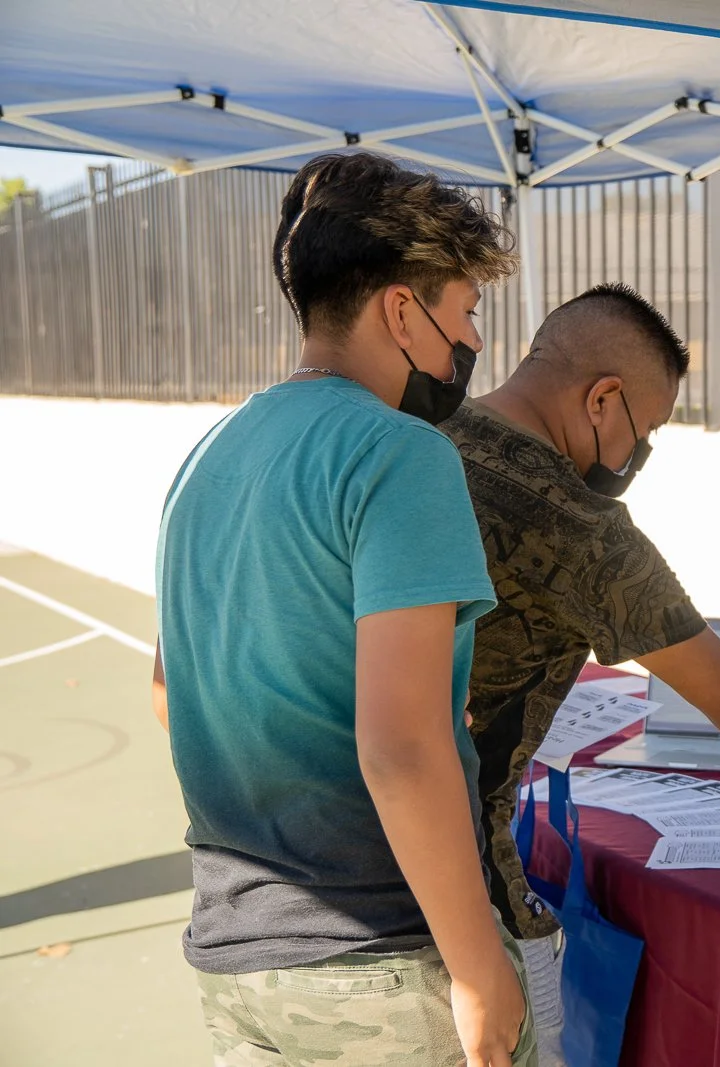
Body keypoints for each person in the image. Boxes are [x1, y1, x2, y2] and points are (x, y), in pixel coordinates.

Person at [152, 152, 535, 1066]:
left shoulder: (208, 455)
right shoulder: (403, 454)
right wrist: (479, 967)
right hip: (383, 966)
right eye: (466, 310)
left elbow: (178, 694)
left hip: (235, 960)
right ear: (401, 309)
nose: (471, 341)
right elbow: (400, 747)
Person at [439, 282, 720, 1060]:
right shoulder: (581, 528)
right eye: (644, 433)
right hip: (456, 889)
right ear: (603, 400)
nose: (635, 458)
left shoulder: (420, 441)